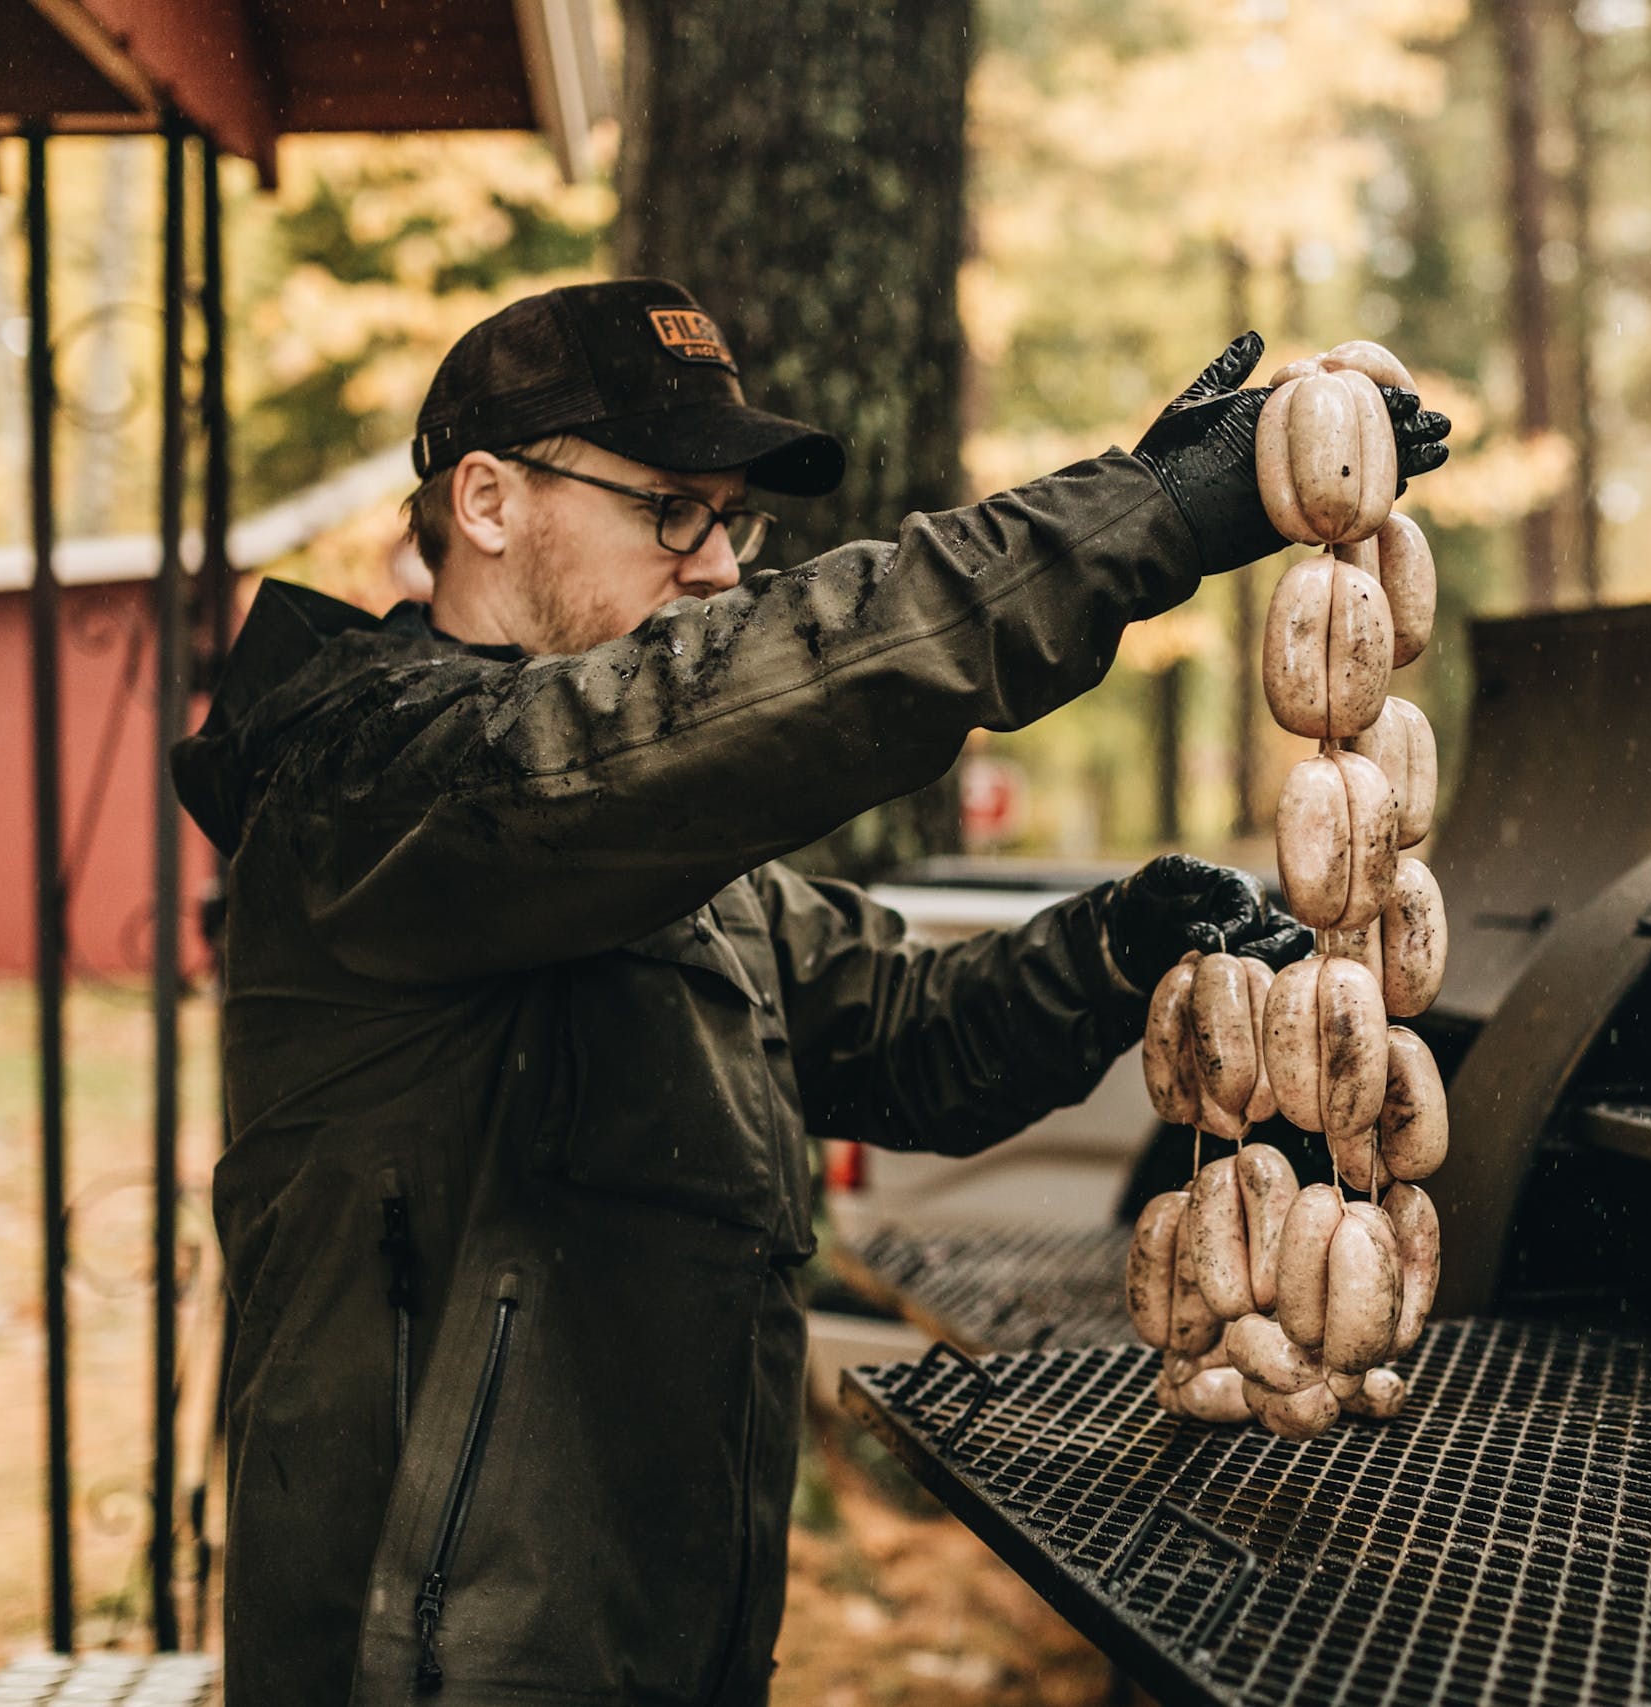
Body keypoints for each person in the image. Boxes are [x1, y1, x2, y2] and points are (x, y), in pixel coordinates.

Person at [171, 277, 1448, 1706]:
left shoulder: (661, 860)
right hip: (421, 1673)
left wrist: (1114, 948)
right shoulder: (370, 778)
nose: (717, 567)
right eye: (671, 509)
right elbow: (688, 716)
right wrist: (1141, 516)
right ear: (485, 500)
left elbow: (895, 1041)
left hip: (667, 1652)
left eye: (736, 521)